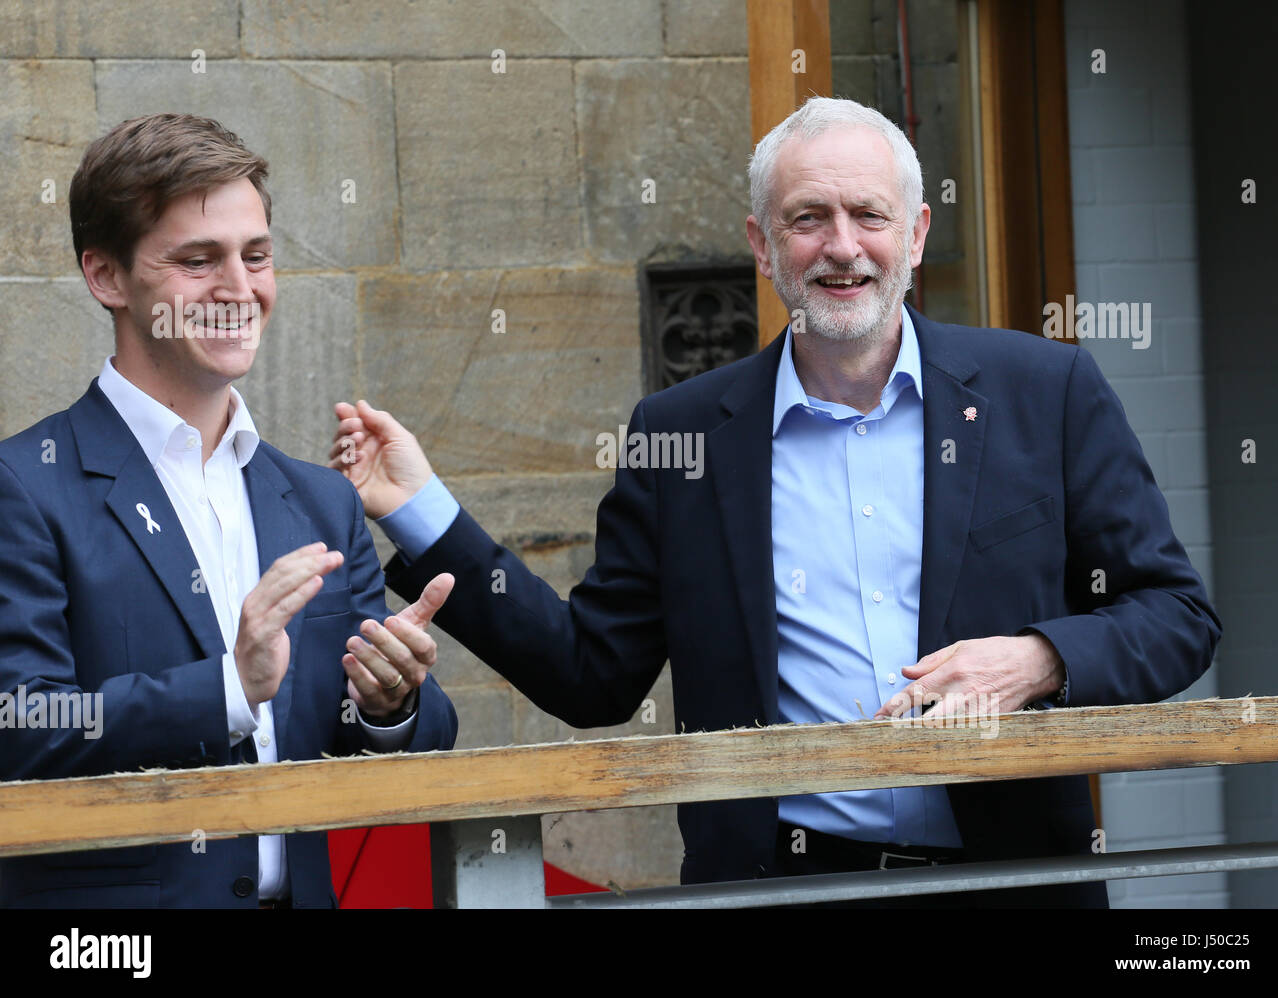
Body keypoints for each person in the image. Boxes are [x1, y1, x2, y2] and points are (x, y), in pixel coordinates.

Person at [330, 98, 1220, 906]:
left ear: (913, 235)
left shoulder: (1046, 391)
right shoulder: (682, 435)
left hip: (1014, 886)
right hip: (781, 893)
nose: (841, 246)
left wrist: (1037, 659)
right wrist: (423, 510)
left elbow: (1177, 616)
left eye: (868, 215)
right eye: (808, 219)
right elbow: (591, 674)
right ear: (762, 245)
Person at [0, 113, 457, 908]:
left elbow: (373, 745)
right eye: (196, 260)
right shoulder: (24, 486)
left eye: (257, 255)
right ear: (106, 277)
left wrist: (389, 703)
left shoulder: (318, 500)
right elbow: (20, 723)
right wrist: (224, 688)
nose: (240, 290)